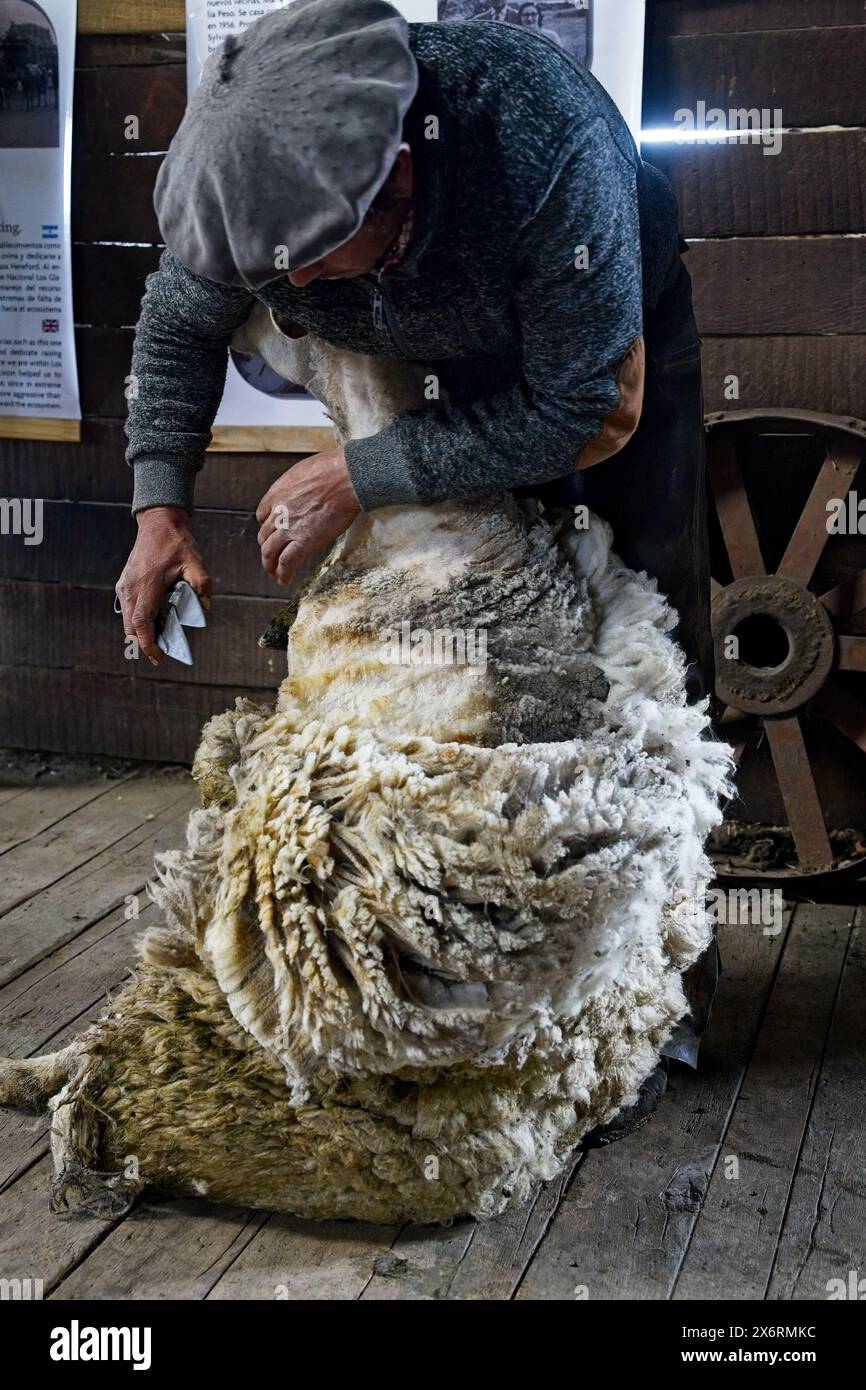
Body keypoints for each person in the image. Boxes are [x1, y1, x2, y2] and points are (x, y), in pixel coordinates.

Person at [117, 0, 716, 1132]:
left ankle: (656, 982)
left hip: (596, 356)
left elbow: (571, 408)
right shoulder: (250, 195)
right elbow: (177, 326)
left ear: (399, 150)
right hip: (422, 351)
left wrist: (360, 471)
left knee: (641, 632)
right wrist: (159, 505)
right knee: (464, 647)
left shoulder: (539, 143)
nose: (378, 239)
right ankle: (461, 976)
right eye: (328, 263)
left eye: (383, 218)